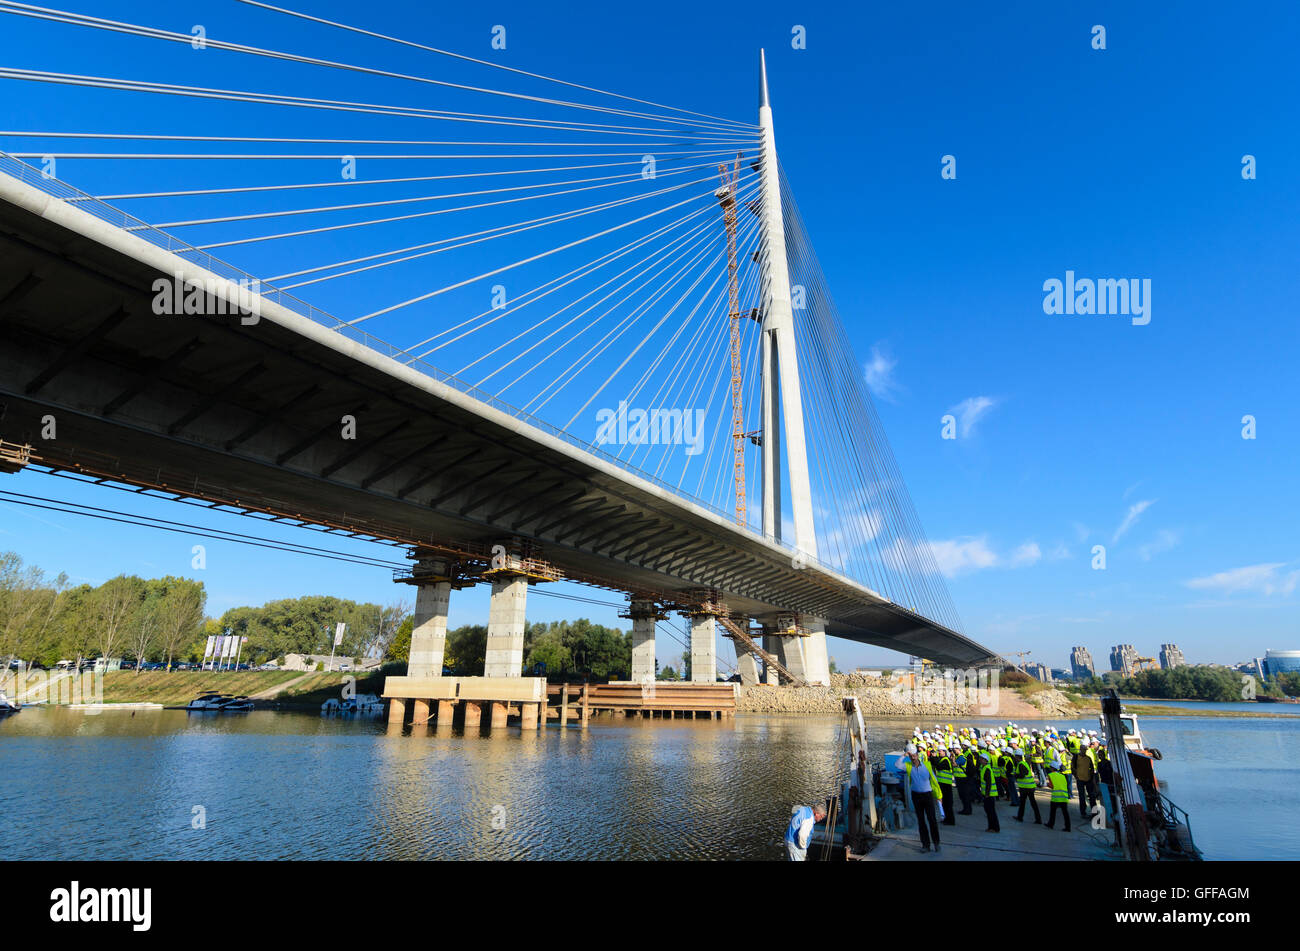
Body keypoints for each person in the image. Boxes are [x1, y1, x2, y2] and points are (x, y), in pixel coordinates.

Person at [901, 743, 942, 853]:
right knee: (921, 821)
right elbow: (897, 764)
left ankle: (936, 843)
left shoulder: (927, 765)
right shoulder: (908, 766)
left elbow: (934, 781)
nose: (913, 757)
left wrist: (939, 796)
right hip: (916, 796)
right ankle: (925, 845)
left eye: (914, 755)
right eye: (911, 756)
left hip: (927, 795)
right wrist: (904, 755)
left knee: (932, 820)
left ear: (918, 755)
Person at [1011, 748, 1042, 824]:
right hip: (1029, 787)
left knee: (1024, 803)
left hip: (1026, 787)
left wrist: (1016, 775)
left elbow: (1023, 774)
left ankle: (1021, 817)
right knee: (1030, 803)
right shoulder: (1024, 763)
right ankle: (1037, 819)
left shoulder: (1021, 764)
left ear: (1017, 757)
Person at [1072, 742, 1098, 819]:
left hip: (1088, 779)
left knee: (1091, 796)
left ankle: (1094, 812)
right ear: (1080, 750)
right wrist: (1076, 776)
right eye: (1083, 750)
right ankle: (1083, 812)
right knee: (1082, 796)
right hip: (1080, 780)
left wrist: (1092, 778)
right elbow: (1072, 767)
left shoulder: (1088, 758)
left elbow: (1092, 769)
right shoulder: (1076, 757)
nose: (1084, 751)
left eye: (1085, 750)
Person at [978, 743, 1000, 832]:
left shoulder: (987, 769)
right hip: (987, 794)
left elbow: (988, 783)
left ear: (985, 760)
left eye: (982, 759)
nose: (980, 760)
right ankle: (991, 827)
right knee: (988, 811)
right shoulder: (984, 768)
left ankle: (994, 828)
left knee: (991, 812)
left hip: (989, 794)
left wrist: (987, 794)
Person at [1044, 763, 1071, 832]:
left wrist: (1047, 785)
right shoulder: (1062, 776)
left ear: (1052, 768)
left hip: (1056, 797)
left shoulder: (1051, 775)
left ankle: (1051, 824)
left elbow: (1052, 786)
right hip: (1064, 797)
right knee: (1065, 812)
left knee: (1053, 812)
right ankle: (1068, 827)